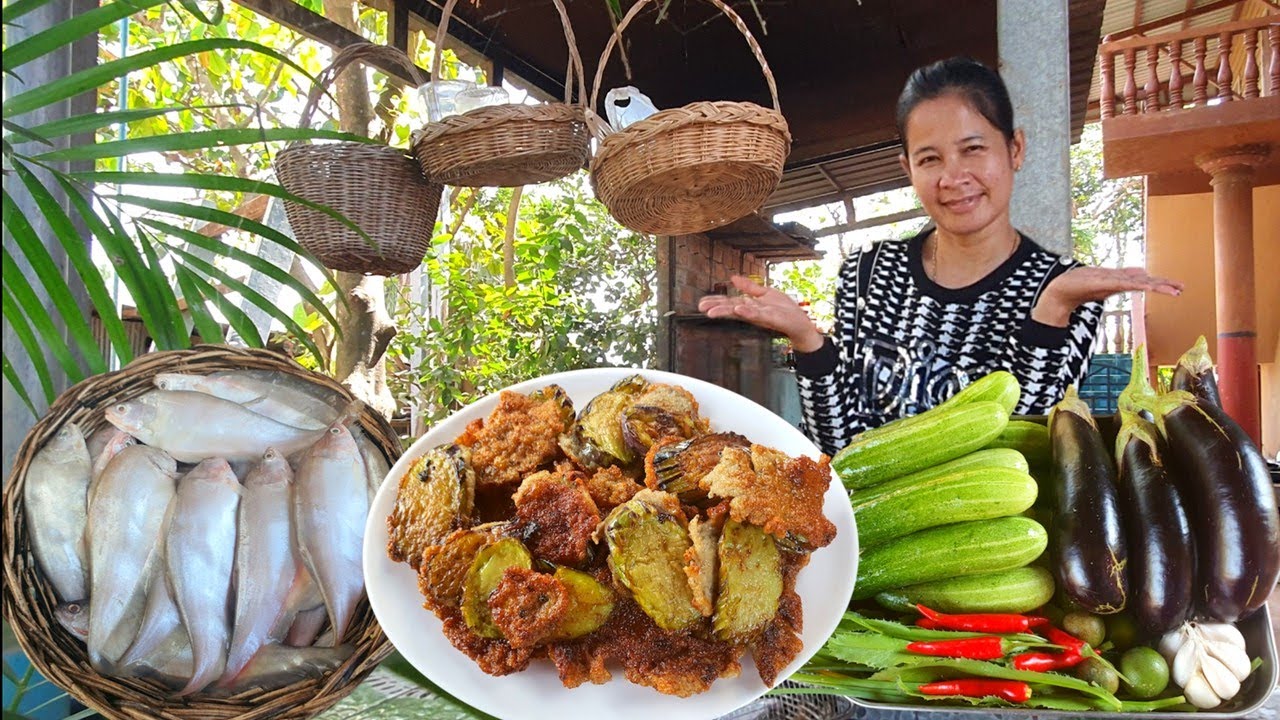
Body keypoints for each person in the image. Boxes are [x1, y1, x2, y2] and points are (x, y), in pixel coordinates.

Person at [699, 56, 1183, 456]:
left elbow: (1019, 457)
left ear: (1014, 149)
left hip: (984, 554)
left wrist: (1049, 313)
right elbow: (841, 446)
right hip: (877, 534)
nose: (953, 177)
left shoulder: (1067, 291)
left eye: (973, 149)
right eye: (930, 159)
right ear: (907, 167)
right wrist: (808, 341)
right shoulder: (868, 275)